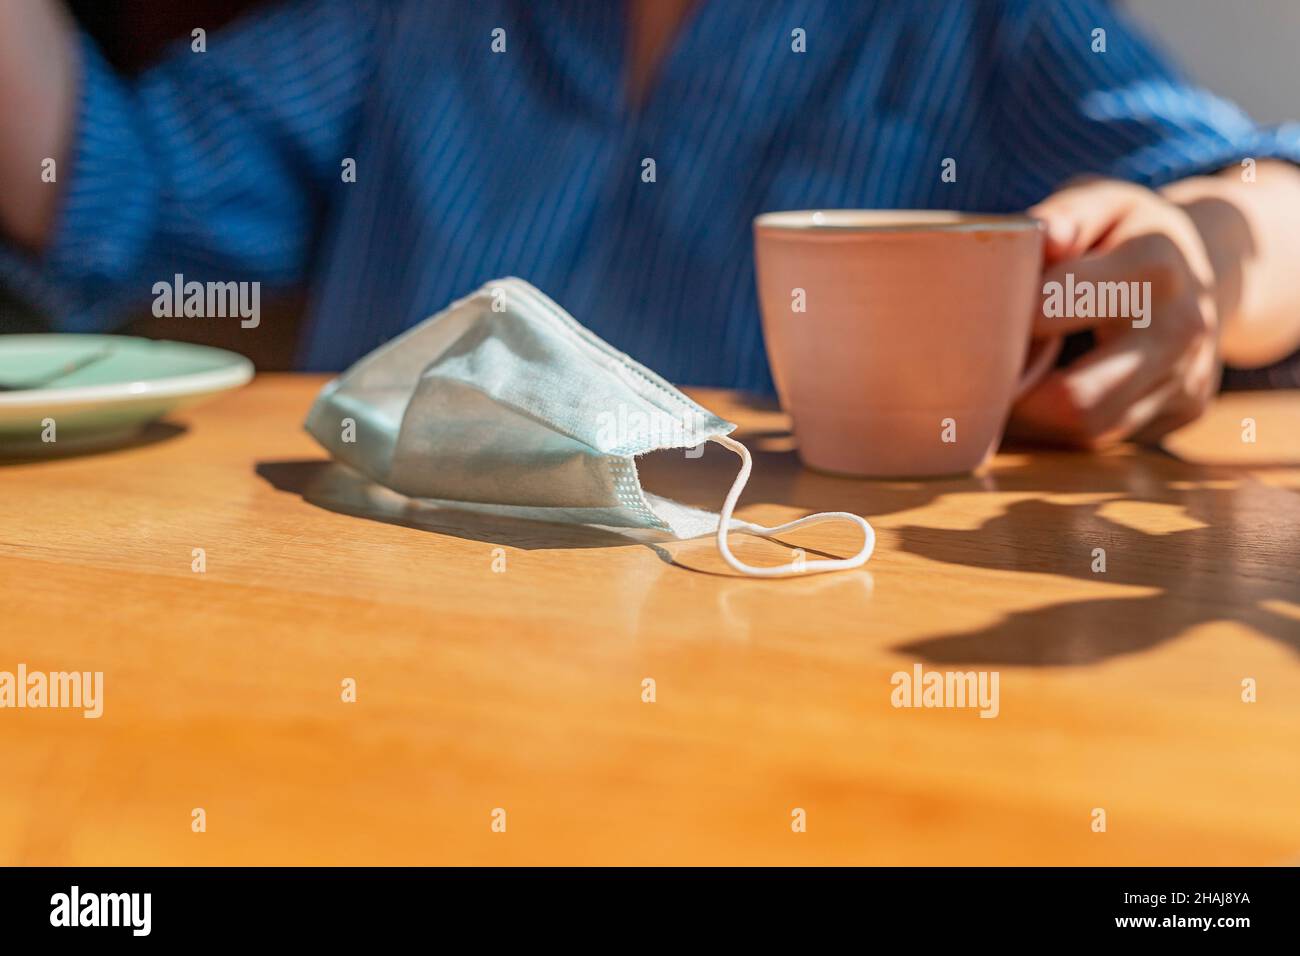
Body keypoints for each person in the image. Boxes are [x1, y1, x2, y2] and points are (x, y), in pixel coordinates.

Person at [2, 0, 1299, 448]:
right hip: (391, 681)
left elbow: (1266, 201)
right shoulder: (410, 21)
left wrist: (1188, 265)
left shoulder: (971, 24)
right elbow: (121, 190)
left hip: (794, 714)